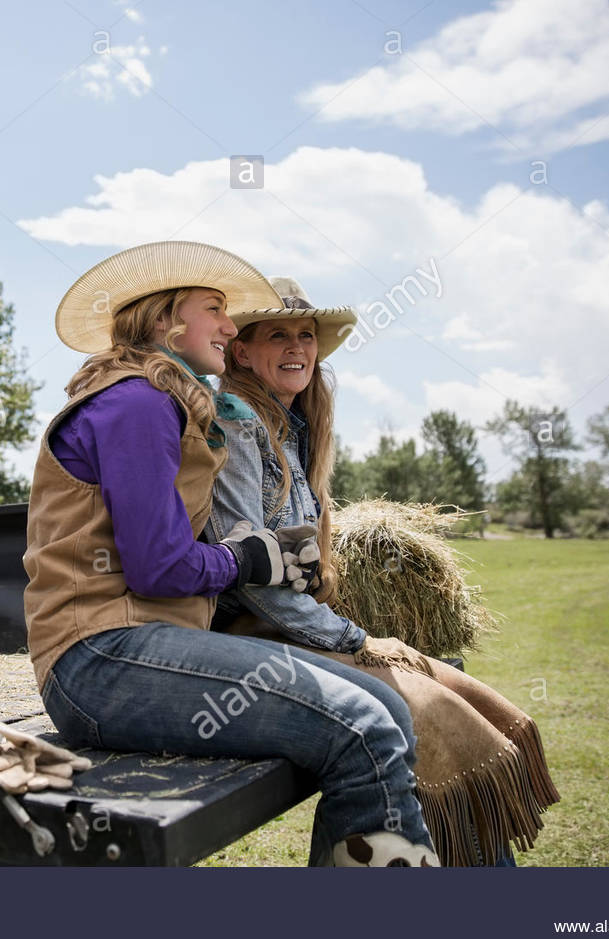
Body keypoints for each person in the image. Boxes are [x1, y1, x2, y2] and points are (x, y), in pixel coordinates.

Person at [24, 241, 440, 866]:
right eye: (215, 309)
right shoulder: (136, 403)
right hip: (100, 658)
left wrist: (255, 555)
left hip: (137, 648)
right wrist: (251, 559)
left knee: (384, 707)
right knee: (365, 726)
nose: (227, 325)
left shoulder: (158, 399)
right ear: (166, 320)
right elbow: (158, 568)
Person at [208, 275, 560, 866]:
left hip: (288, 627)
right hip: (248, 633)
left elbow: (292, 561)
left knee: (455, 693)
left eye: (305, 335)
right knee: (414, 711)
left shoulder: (293, 430)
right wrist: (356, 639)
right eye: (277, 335)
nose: (297, 347)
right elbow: (252, 570)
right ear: (241, 351)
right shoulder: (239, 422)